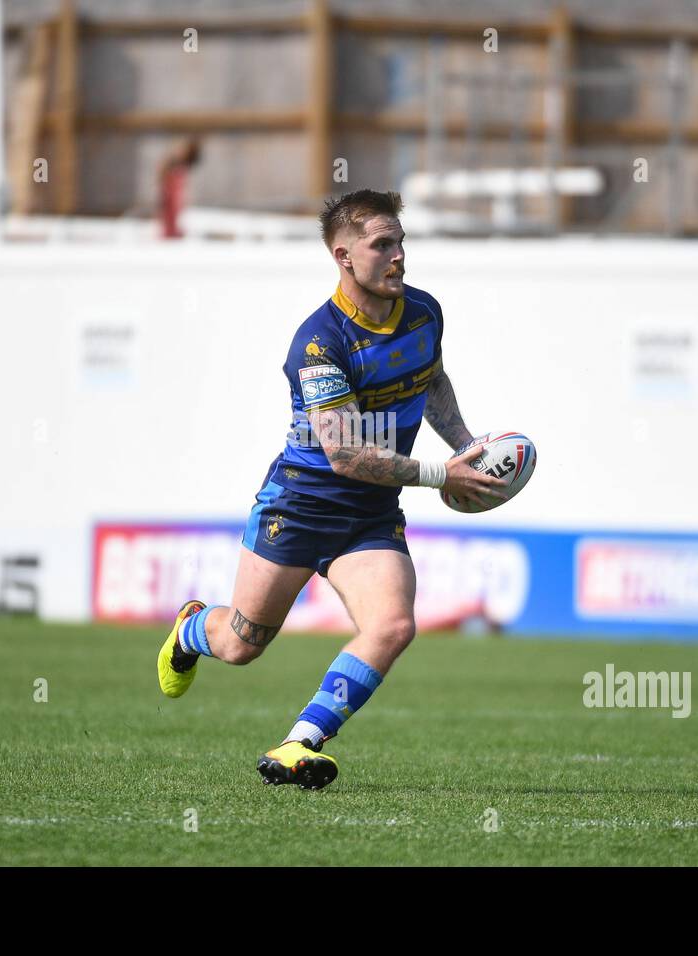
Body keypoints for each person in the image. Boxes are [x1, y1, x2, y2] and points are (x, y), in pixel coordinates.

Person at [156, 188, 505, 789]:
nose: (398, 256)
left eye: (401, 242)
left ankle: (299, 744)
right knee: (242, 645)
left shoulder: (424, 312)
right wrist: (439, 474)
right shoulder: (319, 344)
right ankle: (192, 627)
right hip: (298, 506)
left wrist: (464, 444)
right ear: (344, 257)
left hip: (370, 514)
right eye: (382, 245)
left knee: (393, 626)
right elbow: (343, 455)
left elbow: (432, 379)